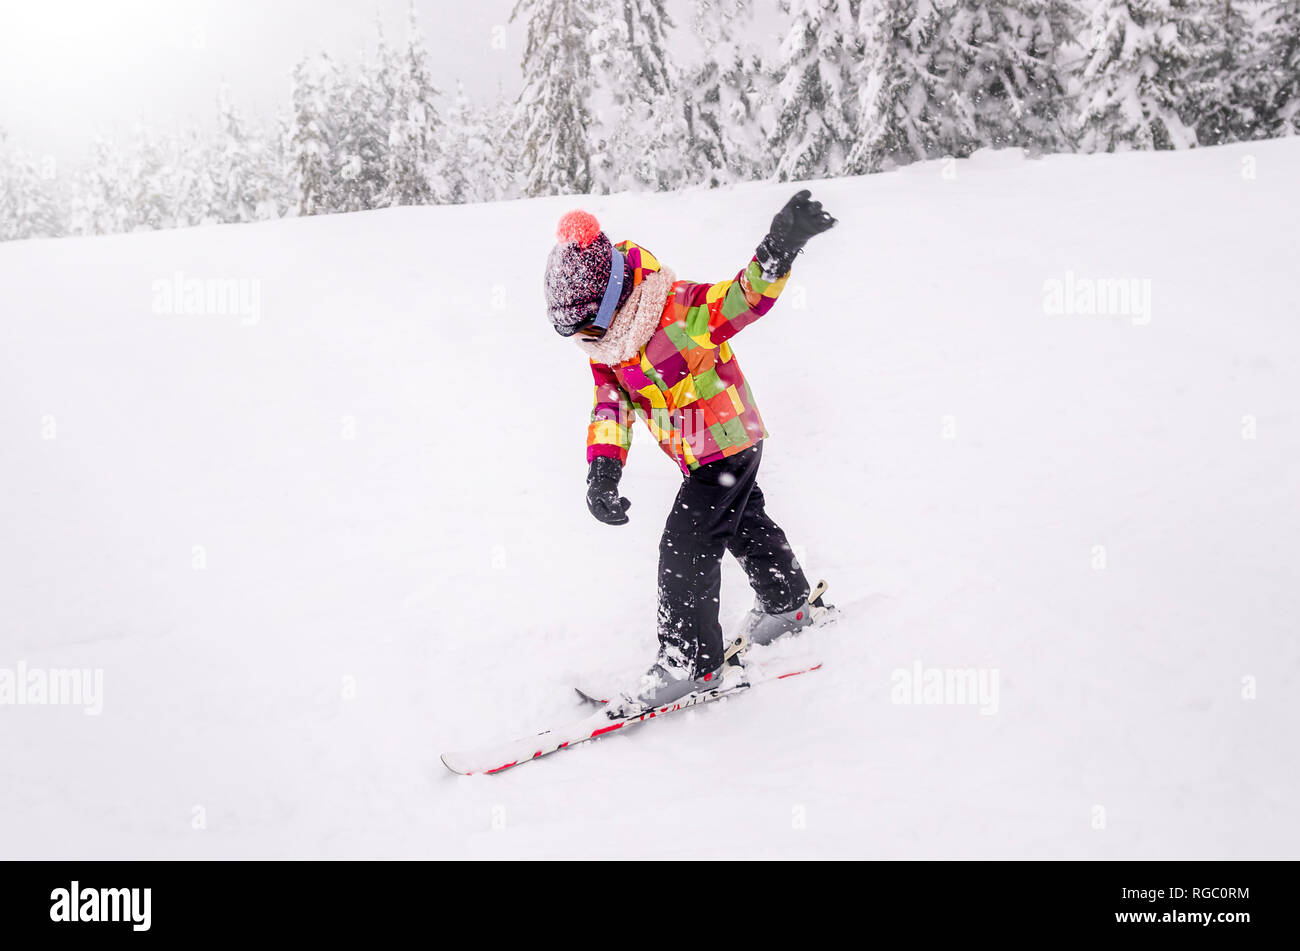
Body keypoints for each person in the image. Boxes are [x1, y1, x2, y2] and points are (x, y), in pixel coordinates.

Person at [543, 190, 837, 707]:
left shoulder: (678, 309)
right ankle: (788, 603)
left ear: (612, 298)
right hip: (701, 455)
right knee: (744, 523)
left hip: (727, 445)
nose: (585, 341)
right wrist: (603, 471)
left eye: (586, 326)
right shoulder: (607, 345)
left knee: (686, 547)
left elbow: (743, 298)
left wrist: (779, 246)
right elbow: (610, 407)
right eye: (575, 333)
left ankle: (691, 661)